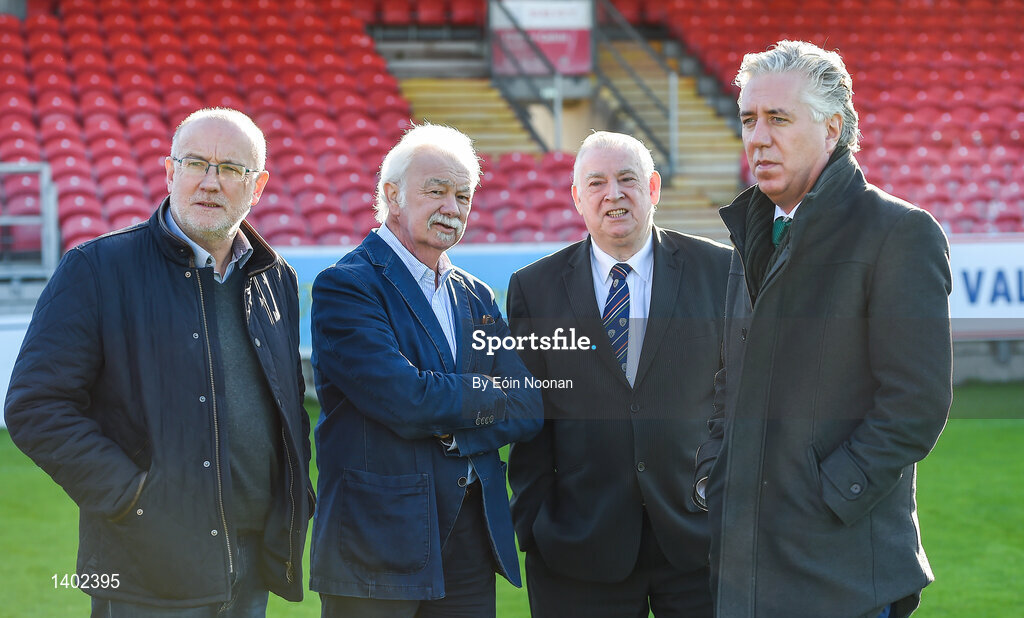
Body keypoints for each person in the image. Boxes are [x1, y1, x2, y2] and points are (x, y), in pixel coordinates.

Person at [4, 107, 314, 616]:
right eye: (195, 163)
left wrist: (298, 496)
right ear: (171, 172)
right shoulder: (96, 269)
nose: (210, 181)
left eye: (230, 168)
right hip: (142, 568)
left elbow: (288, 404)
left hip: (252, 563)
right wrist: (132, 498)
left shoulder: (274, 277)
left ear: (257, 187)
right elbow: (36, 407)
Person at [694, 40, 953, 618]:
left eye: (778, 119)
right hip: (743, 574)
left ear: (832, 128)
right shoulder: (751, 233)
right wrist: (715, 471)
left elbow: (916, 403)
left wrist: (829, 494)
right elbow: (730, 378)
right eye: (749, 119)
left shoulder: (899, 233)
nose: (758, 137)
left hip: (842, 576)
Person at [309, 123, 543, 618]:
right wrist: (486, 395)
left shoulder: (476, 294)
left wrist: (454, 428)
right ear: (393, 195)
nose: (452, 208)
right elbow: (405, 399)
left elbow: (527, 404)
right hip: (377, 540)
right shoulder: (346, 286)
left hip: (471, 541)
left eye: (463, 196)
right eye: (436, 191)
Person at [506, 131, 731, 617]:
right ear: (577, 197)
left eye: (627, 179)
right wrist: (534, 521)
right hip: (578, 547)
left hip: (702, 542)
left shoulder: (720, 271)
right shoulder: (534, 288)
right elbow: (531, 417)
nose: (613, 194)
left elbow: (741, 398)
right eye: (597, 183)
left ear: (652, 188)